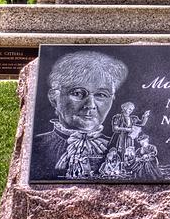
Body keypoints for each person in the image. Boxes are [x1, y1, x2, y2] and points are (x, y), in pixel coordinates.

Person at [31, 50, 128, 181]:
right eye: (77, 93)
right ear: (54, 98)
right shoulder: (37, 146)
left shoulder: (115, 148)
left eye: (101, 95)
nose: (90, 105)